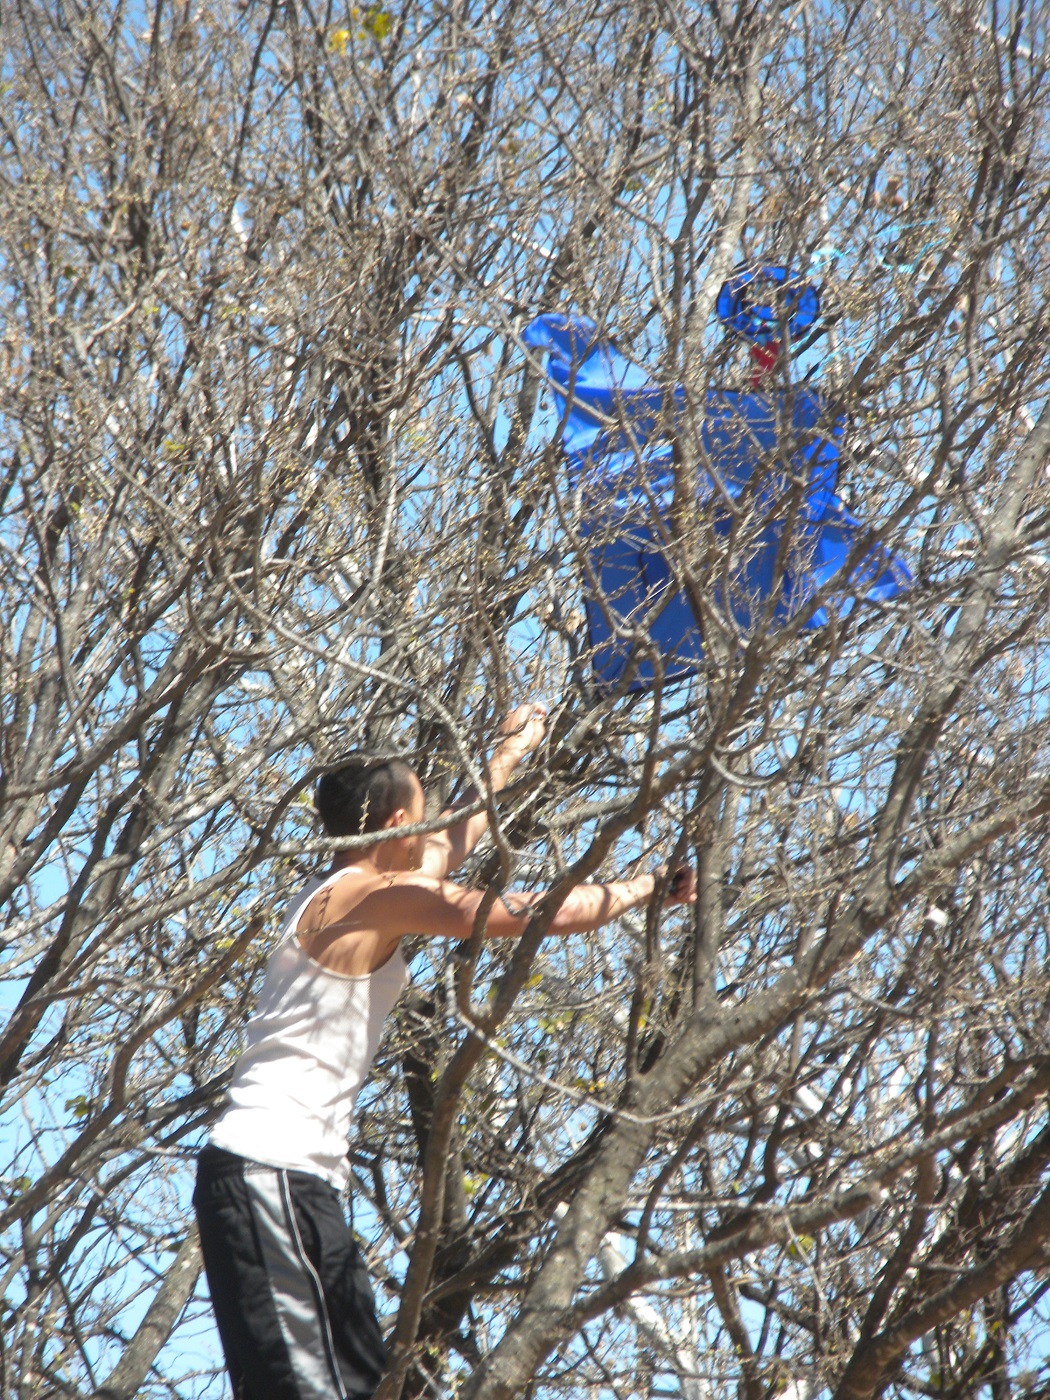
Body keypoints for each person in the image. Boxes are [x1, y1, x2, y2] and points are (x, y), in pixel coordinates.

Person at [193, 703, 696, 1400]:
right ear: (398, 824)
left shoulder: (351, 890)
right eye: (420, 816)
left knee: (368, 1389)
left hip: (297, 1184)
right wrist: (644, 887)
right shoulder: (369, 898)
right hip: (266, 1170)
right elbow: (532, 913)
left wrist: (507, 753)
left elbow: (447, 843)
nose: (430, 832)